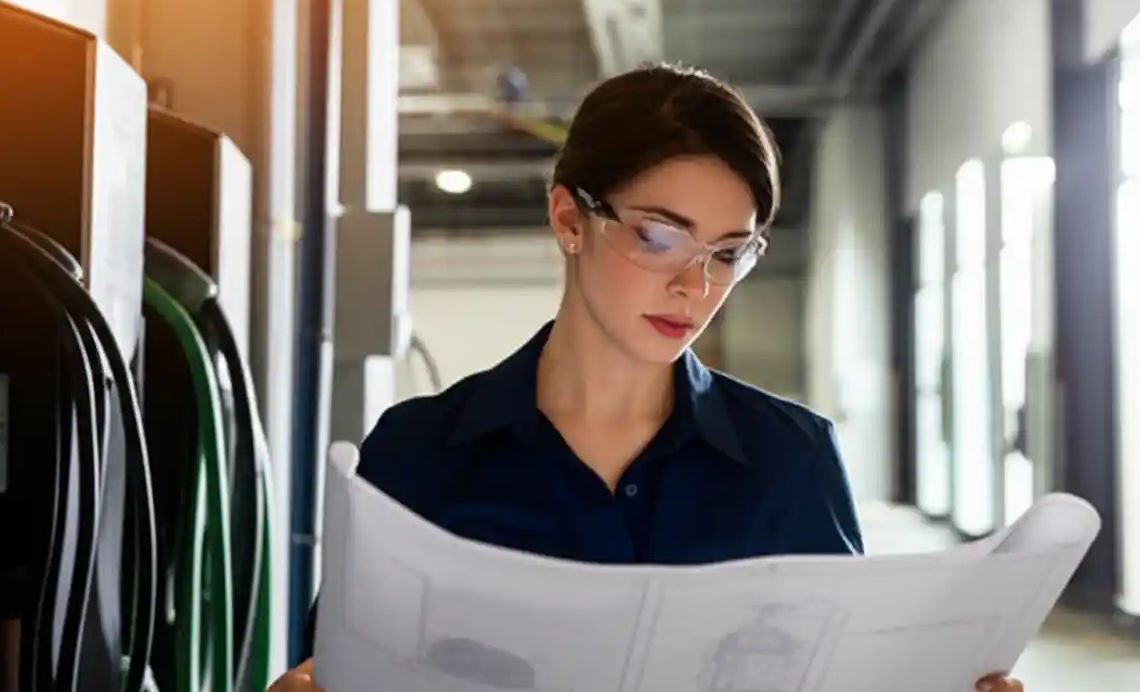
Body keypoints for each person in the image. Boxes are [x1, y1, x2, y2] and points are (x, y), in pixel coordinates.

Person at [269, 63, 1025, 692]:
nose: (695, 287)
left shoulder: (790, 457)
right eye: (660, 238)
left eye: (729, 253)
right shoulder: (419, 453)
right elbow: (338, 672)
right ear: (569, 218)